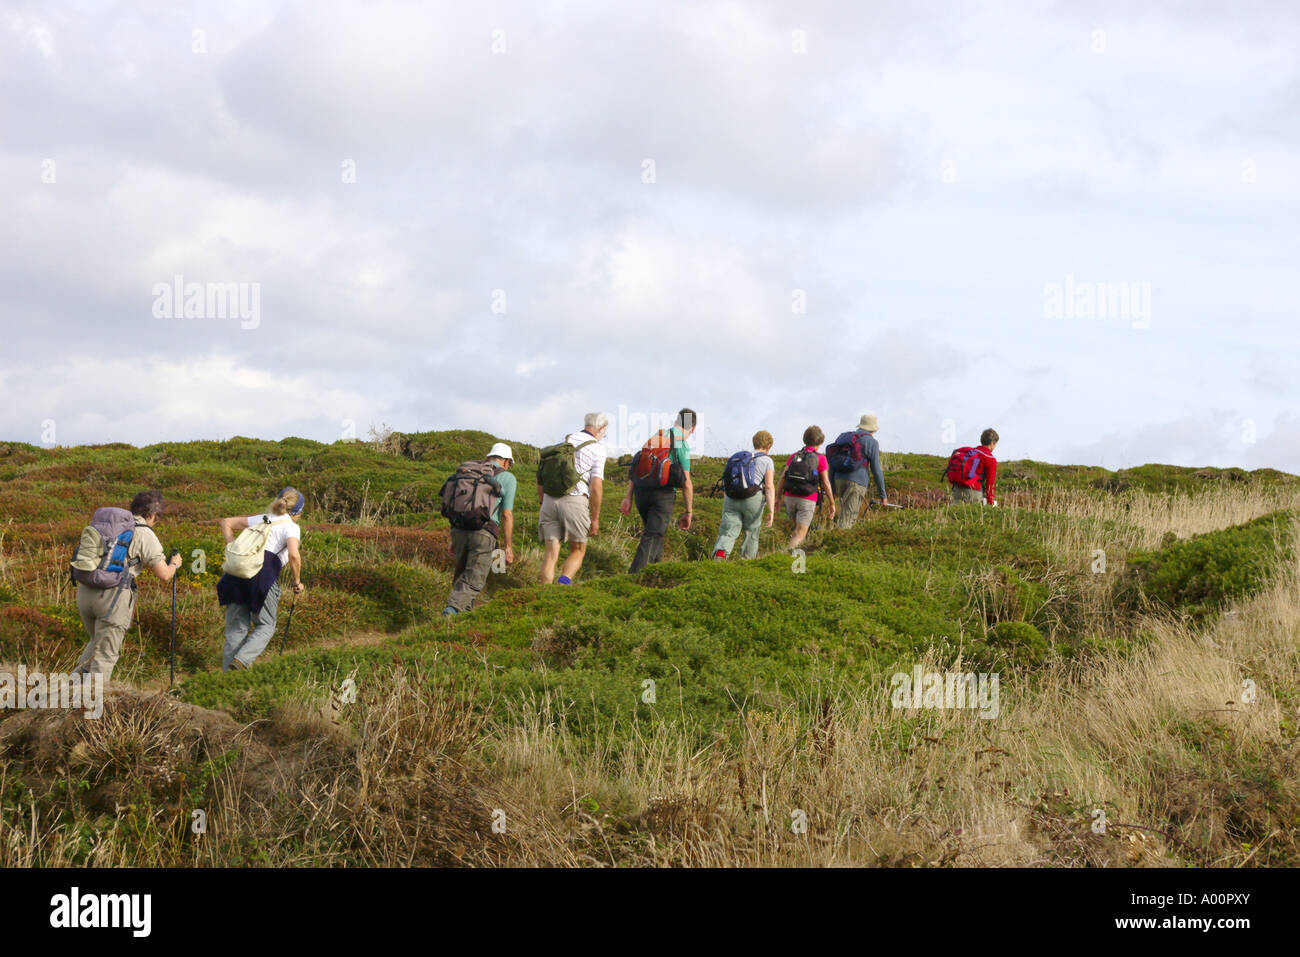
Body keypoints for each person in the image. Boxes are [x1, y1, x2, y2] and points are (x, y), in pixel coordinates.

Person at [71, 490, 182, 682]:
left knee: (97, 643)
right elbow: (164, 574)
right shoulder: (145, 534)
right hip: (112, 598)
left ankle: (69, 691)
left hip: (85, 590)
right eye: (158, 517)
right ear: (152, 514)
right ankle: (90, 705)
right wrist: (175, 564)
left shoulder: (112, 525)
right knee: (105, 655)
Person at [217, 487, 306, 670]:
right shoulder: (291, 527)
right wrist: (297, 582)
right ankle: (241, 660)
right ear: (296, 512)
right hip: (261, 578)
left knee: (236, 628)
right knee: (266, 625)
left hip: (235, 574)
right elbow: (294, 555)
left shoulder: (260, 519)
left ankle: (227, 676)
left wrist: (233, 548)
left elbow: (226, 522)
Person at [620, 408, 696, 573]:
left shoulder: (658, 436)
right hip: (663, 495)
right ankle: (633, 578)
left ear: (676, 421)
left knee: (656, 535)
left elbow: (639, 466)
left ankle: (655, 574)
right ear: (693, 428)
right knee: (652, 536)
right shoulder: (681, 443)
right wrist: (688, 511)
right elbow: (686, 482)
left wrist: (628, 497)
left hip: (641, 492)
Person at [444, 443, 516, 614]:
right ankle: (452, 610)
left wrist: (452, 538)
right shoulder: (507, 477)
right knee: (474, 578)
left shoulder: (468, 473)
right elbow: (506, 514)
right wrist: (508, 546)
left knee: (461, 576)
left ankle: (460, 621)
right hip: (484, 532)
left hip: (458, 529)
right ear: (505, 461)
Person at [538, 414, 607, 585]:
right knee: (578, 549)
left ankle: (543, 594)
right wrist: (595, 518)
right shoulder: (597, 449)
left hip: (549, 500)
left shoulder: (564, 440)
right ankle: (563, 584)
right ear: (601, 429)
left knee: (550, 553)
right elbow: (596, 486)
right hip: (575, 501)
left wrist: (542, 502)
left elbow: (541, 476)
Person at [712, 430, 776, 560]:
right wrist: (771, 510)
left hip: (731, 497)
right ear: (769, 446)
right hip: (753, 499)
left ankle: (719, 558)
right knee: (751, 531)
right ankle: (746, 562)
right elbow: (769, 486)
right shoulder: (767, 460)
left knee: (727, 531)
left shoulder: (739, 458)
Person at [779, 426, 836, 550]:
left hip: (789, 498)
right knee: (800, 535)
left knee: (796, 531)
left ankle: (787, 555)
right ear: (820, 441)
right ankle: (787, 559)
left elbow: (783, 477)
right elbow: (826, 482)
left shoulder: (794, 456)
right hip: (807, 499)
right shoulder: (820, 458)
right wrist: (832, 502)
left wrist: (778, 498)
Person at [828, 413, 888, 529]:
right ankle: (839, 543)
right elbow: (876, 470)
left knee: (844, 514)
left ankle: (835, 539)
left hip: (838, 479)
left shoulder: (844, 438)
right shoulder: (872, 442)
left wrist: (832, 488)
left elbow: (833, 463)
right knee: (848, 518)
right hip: (856, 483)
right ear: (873, 429)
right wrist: (883, 495)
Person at [948, 428, 999, 505]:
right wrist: (990, 501)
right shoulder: (990, 458)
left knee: (953, 515)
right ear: (992, 443)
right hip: (973, 492)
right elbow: (990, 484)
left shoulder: (971, 452)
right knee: (971, 516)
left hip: (957, 490)